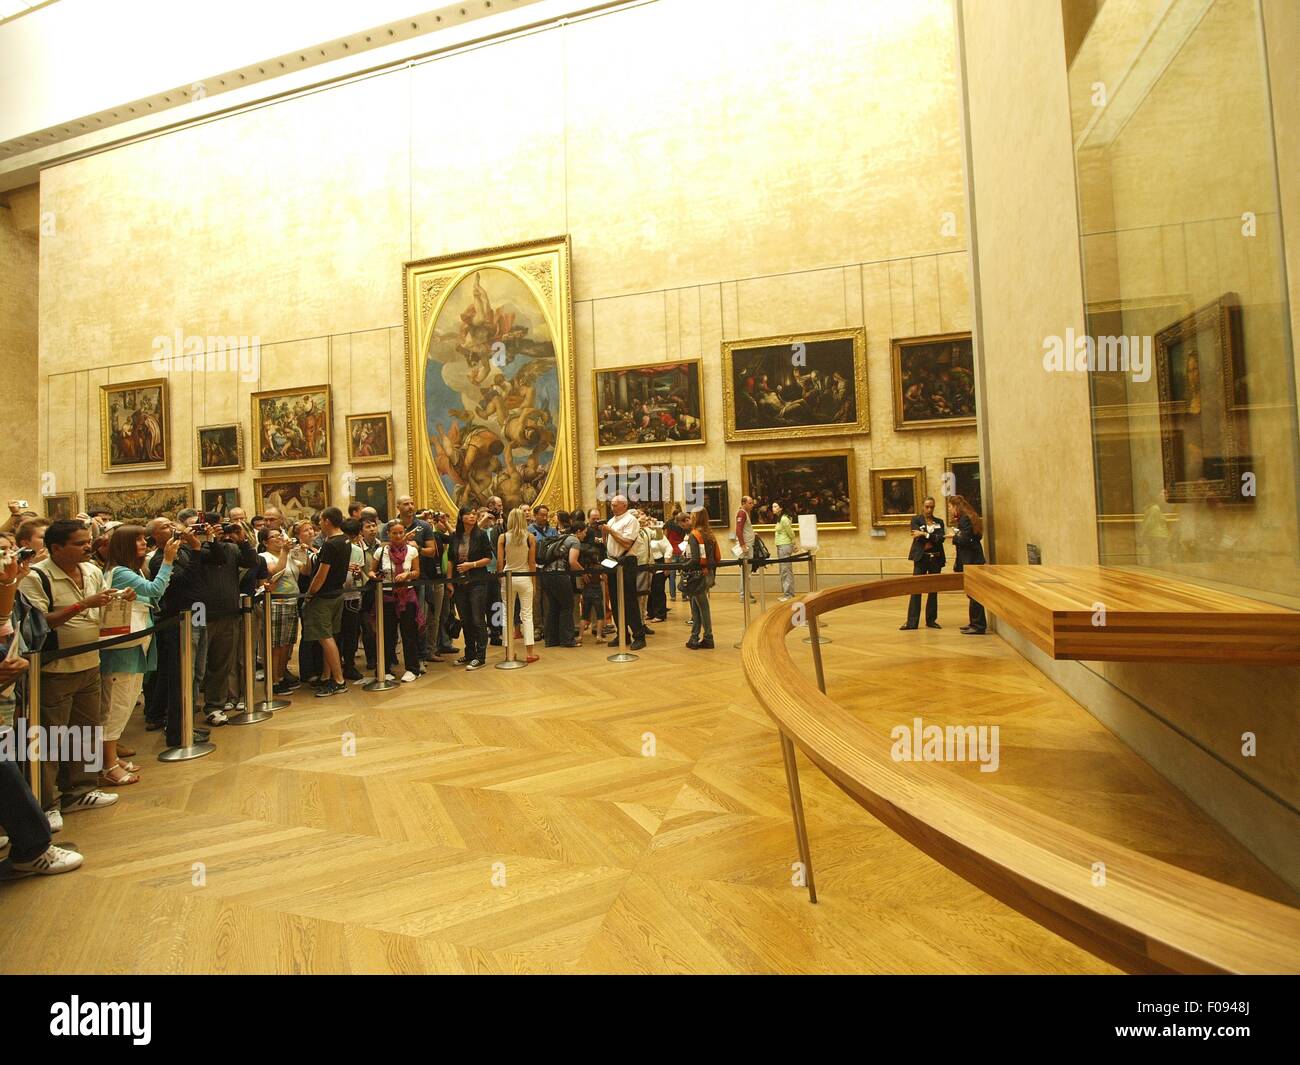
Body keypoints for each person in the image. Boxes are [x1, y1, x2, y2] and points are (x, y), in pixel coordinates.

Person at [18, 519, 120, 818]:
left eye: (88, 541)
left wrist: (116, 599)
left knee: (86, 730)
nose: (88, 546)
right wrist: (83, 604)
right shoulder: (37, 576)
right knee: (49, 737)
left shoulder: (91, 570)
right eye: (79, 543)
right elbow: (38, 623)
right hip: (55, 668)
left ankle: (81, 789)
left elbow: (102, 605)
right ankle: (45, 802)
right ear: (56, 548)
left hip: (90, 662)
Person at [99, 524, 178, 786]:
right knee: (117, 704)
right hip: (122, 648)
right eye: (138, 540)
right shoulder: (120, 572)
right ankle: (107, 763)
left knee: (125, 699)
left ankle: (109, 757)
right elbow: (155, 590)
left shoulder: (128, 570)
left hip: (135, 644)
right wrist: (167, 561)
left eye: (144, 539)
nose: (144, 543)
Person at [302, 507, 351, 696]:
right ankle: (326, 675)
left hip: (324, 596)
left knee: (325, 637)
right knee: (329, 636)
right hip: (337, 593)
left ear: (328, 521)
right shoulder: (344, 539)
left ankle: (338, 680)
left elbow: (321, 574)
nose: (319, 524)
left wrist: (310, 593)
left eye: (321, 520)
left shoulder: (331, 544)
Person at [372, 520, 425, 682]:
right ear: (388, 534)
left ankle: (412, 668)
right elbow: (371, 571)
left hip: (407, 596)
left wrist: (407, 575)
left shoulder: (412, 551)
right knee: (388, 634)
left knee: (409, 633)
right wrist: (374, 576)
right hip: (387, 596)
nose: (398, 536)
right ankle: (385, 668)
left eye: (401, 532)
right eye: (394, 533)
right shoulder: (381, 552)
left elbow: (416, 572)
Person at [448, 505, 494, 670]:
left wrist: (471, 565)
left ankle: (480, 657)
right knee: (465, 620)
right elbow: (451, 560)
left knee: (477, 619)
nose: (472, 516)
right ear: (461, 517)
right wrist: (449, 581)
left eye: (474, 514)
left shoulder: (481, 535)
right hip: (459, 583)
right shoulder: (455, 536)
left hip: (477, 581)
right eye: (468, 514)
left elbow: (488, 558)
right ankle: (469, 653)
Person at [258, 526, 302, 693]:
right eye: (273, 537)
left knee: (287, 644)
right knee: (275, 644)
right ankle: (274, 680)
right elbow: (276, 572)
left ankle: (282, 675)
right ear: (264, 542)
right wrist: (285, 552)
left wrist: (303, 550)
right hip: (275, 603)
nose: (279, 539)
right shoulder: (263, 557)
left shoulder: (289, 554)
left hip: (291, 602)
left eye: (280, 535)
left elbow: (305, 569)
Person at [602, 495, 646, 650]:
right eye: (611, 504)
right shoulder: (611, 520)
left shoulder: (631, 520)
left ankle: (639, 635)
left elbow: (627, 543)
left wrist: (611, 531)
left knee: (629, 600)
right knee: (614, 600)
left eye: (615, 505)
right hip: (612, 561)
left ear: (624, 505)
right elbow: (609, 542)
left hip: (626, 561)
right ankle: (622, 634)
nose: (612, 507)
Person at [497, 507, 539, 663]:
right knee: (527, 614)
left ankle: (509, 652)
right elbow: (532, 562)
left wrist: (500, 577)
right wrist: (533, 581)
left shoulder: (503, 537)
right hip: (525, 576)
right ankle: (530, 653)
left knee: (507, 614)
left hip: (508, 577)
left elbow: (501, 561)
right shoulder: (530, 537)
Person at [901, 496, 945, 630]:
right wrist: (930, 538)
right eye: (927, 506)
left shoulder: (939, 522)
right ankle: (912, 622)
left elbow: (940, 539)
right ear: (922, 507)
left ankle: (931, 620)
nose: (929, 509)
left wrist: (924, 535)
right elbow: (917, 537)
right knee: (916, 589)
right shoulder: (916, 520)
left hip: (936, 559)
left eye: (932, 507)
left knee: (933, 590)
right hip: (921, 558)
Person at [948, 494, 987, 635]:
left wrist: (954, 537)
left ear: (956, 506)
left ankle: (978, 625)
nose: (950, 510)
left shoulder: (965, 519)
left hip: (971, 561)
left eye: (951, 507)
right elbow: (975, 536)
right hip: (974, 560)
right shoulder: (971, 517)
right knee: (972, 593)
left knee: (975, 594)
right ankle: (974, 622)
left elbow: (965, 540)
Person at [540, 514, 581, 649]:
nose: (585, 535)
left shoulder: (558, 538)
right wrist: (584, 573)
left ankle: (551, 640)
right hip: (560, 575)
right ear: (578, 531)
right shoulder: (574, 540)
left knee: (553, 606)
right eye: (585, 533)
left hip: (546, 574)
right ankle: (567, 640)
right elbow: (572, 562)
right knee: (567, 606)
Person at [684, 508, 720, 649]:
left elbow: (694, 559)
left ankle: (708, 637)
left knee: (702, 607)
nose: (690, 517)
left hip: (697, 575)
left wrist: (683, 565)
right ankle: (694, 637)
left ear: (696, 518)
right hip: (709, 574)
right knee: (696, 607)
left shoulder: (694, 535)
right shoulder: (710, 534)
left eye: (692, 515)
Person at [770, 501, 798, 601]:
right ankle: (787, 593)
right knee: (784, 570)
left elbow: (791, 533)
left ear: (780, 508)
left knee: (786, 570)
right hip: (781, 546)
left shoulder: (784, 518)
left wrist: (793, 544)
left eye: (775, 506)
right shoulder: (780, 518)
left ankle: (789, 595)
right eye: (772, 506)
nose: (773, 508)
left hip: (784, 546)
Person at [735, 495, 757, 603]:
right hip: (746, 547)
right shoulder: (742, 513)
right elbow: (738, 530)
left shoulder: (745, 513)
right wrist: (743, 545)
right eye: (750, 503)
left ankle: (746, 592)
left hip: (748, 545)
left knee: (747, 571)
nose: (752, 505)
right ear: (744, 503)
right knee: (745, 571)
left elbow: (744, 530)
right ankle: (744, 595)